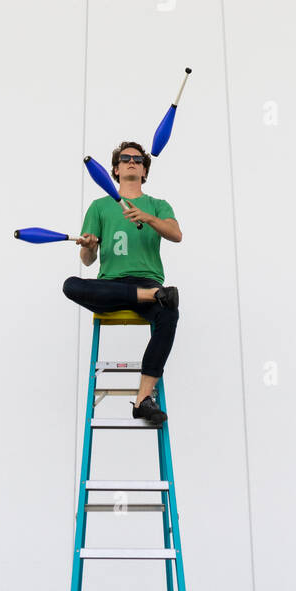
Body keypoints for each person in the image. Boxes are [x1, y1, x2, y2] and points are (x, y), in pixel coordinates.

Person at [62, 140, 182, 427]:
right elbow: (87, 260)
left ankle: (143, 401)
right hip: (110, 288)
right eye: (125, 158)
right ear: (115, 169)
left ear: (144, 170)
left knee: (170, 313)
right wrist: (90, 244)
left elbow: (176, 234)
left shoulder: (157, 205)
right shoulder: (99, 206)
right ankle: (150, 295)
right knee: (70, 284)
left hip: (148, 282)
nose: (132, 161)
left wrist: (147, 217)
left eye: (138, 159)